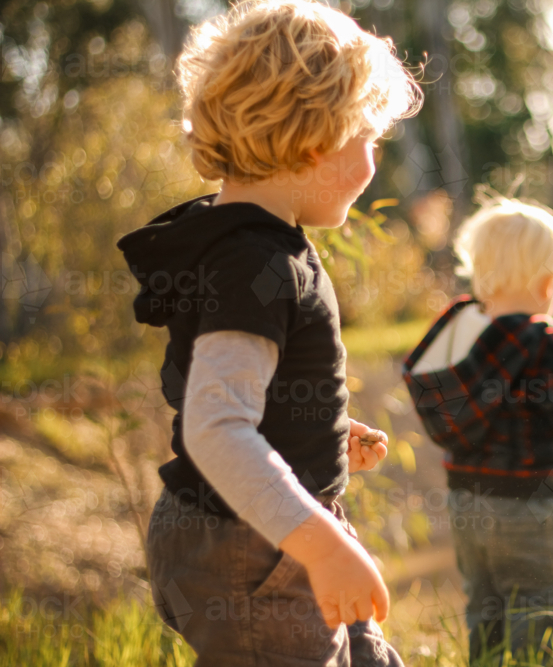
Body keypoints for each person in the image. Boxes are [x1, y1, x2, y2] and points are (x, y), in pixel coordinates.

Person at [116, 1, 420, 664]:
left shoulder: (236, 243)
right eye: (367, 139)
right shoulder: (254, 261)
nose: (374, 163)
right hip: (255, 547)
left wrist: (327, 431)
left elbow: (250, 389)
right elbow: (217, 425)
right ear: (318, 141)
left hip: (257, 530)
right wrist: (319, 542)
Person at [400, 194, 553, 665]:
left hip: (466, 502)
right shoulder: (548, 342)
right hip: (530, 503)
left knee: (484, 608)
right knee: (542, 609)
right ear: (550, 283)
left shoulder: (460, 331)